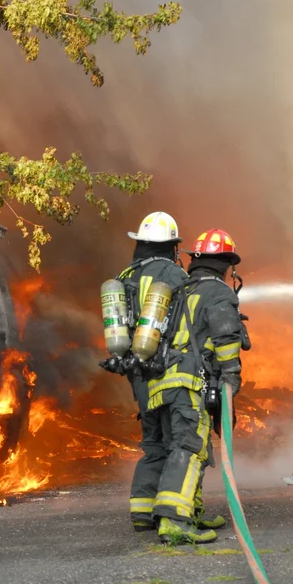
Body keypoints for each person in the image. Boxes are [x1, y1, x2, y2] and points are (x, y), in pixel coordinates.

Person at [144, 228, 249, 544]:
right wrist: (231, 378)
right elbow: (226, 340)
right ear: (227, 264)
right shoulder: (219, 293)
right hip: (190, 383)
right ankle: (175, 521)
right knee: (190, 448)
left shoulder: (179, 291)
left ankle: (190, 510)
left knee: (185, 447)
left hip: (163, 383)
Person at [104, 212, 188, 532]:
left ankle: (141, 509)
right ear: (171, 246)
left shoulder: (125, 275)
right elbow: (187, 320)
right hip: (166, 371)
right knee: (175, 441)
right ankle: (171, 511)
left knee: (152, 440)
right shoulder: (173, 274)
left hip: (136, 374)